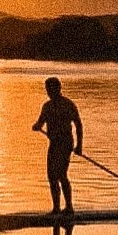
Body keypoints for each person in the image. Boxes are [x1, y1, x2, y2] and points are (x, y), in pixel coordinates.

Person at [32, 76, 83, 214]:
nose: (48, 91)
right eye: (47, 89)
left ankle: (69, 207)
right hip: (54, 144)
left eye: (50, 89)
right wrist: (36, 126)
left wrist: (79, 146)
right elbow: (40, 122)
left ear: (58, 89)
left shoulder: (68, 104)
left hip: (65, 143)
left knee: (61, 174)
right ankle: (56, 209)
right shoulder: (47, 106)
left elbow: (78, 125)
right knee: (51, 176)